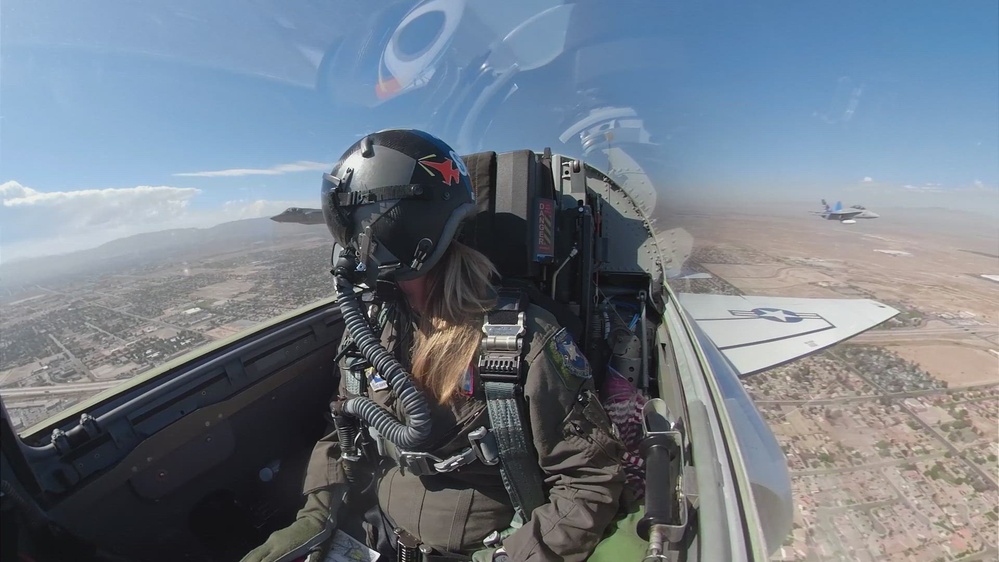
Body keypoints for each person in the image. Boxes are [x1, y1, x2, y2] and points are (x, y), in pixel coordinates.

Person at [242, 129, 625, 562]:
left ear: (396, 225)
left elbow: (589, 481)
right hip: (378, 537)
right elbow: (345, 424)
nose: (348, 247)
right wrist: (317, 513)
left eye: (356, 227)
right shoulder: (372, 323)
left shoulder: (523, 340)